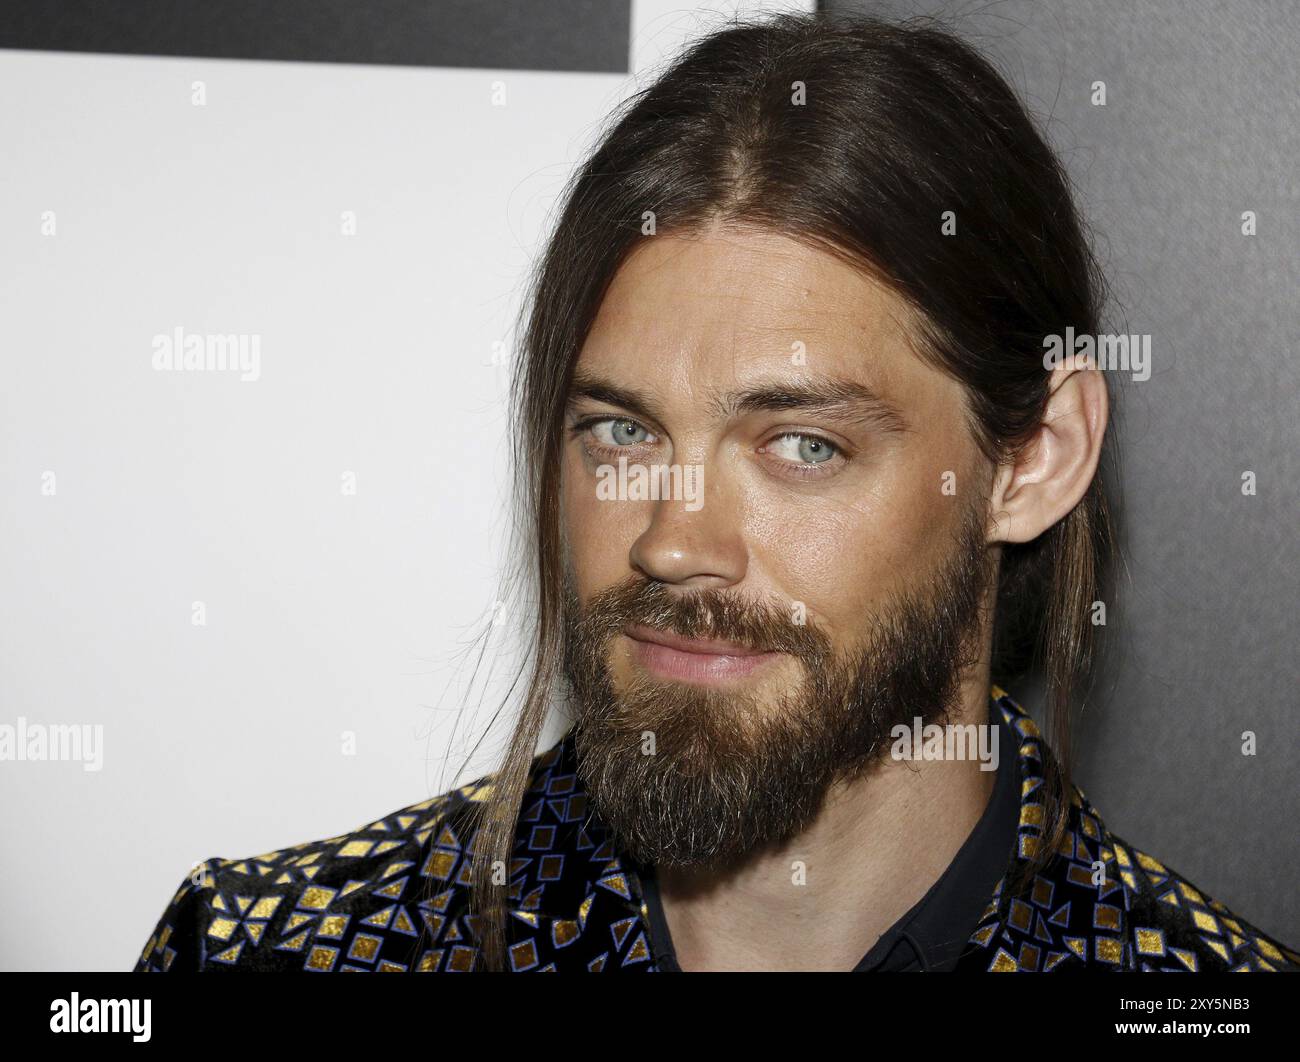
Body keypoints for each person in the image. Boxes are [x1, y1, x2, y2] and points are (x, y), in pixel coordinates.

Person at [133, 11, 1297, 974]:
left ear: (1034, 458)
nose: (672, 541)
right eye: (621, 432)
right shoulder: (270, 953)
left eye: (801, 446)